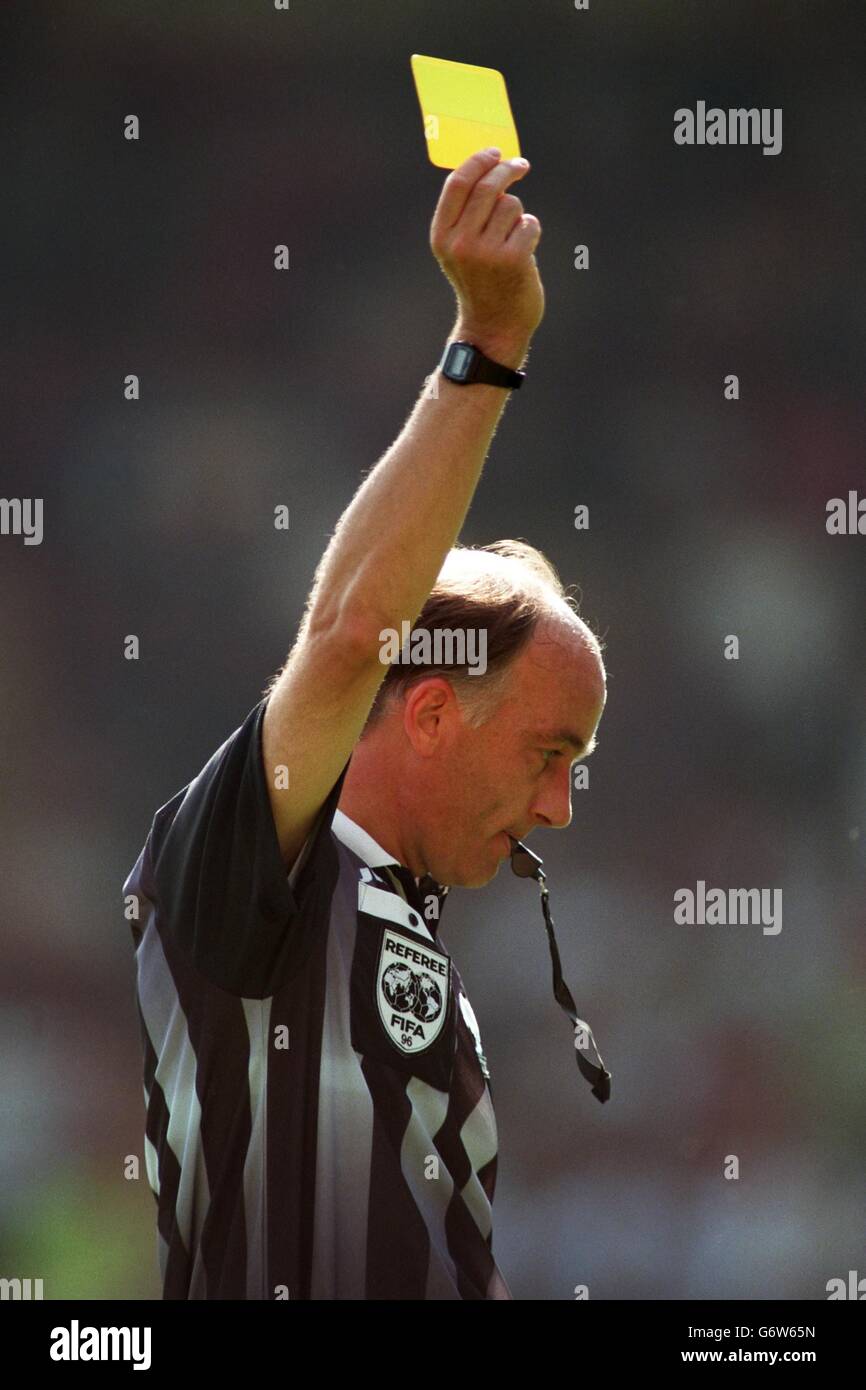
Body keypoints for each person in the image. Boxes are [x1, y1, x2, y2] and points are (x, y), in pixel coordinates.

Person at [124, 147, 607, 1300]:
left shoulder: (404, 928)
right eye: (550, 754)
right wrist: (485, 351)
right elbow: (350, 632)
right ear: (430, 707)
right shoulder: (248, 865)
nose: (559, 806)